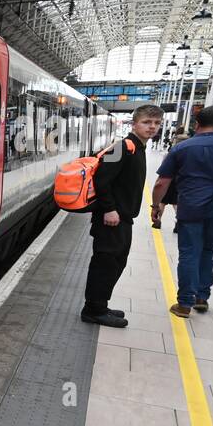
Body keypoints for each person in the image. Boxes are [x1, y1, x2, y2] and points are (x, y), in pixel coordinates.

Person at [150, 105, 213, 317]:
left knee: (190, 253)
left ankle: (184, 304)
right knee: (210, 251)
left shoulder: (182, 148)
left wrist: (156, 206)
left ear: (196, 123)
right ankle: (202, 297)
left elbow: (162, 182)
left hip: (191, 206)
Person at [82, 103, 162, 327]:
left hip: (123, 218)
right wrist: (109, 208)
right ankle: (93, 310)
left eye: (156, 123)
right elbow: (101, 180)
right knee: (105, 263)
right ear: (135, 123)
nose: (152, 127)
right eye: (147, 122)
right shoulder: (123, 146)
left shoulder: (139, 147)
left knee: (117, 262)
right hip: (112, 218)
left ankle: (100, 304)